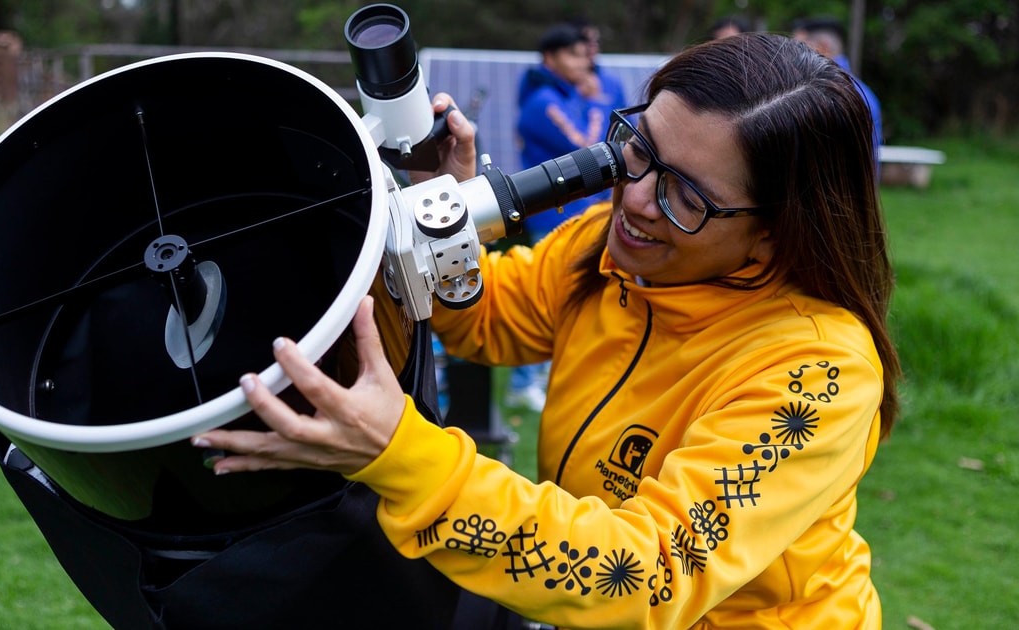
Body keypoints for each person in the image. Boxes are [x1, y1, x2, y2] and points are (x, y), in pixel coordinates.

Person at [193, 32, 900, 629]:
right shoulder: (608, 243)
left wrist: (400, 454)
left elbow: (643, 573)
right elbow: (487, 320)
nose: (638, 199)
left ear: (778, 235)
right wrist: (445, 234)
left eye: (688, 195)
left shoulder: (817, 372)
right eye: (640, 148)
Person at [510, 22, 626, 410]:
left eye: (584, 54)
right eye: (574, 55)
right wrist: (595, 103)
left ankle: (539, 379)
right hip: (553, 217)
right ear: (550, 59)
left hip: (578, 213)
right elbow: (589, 148)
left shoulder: (563, 95)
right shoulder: (544, 100)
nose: (584, 63)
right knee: (543, 297)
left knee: (567, 297)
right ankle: (522, 382)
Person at [793, 16, 883, 156]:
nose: (792, 56)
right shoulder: (860, 91)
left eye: (799, 47)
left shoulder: (830, 91)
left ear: (822, 47)